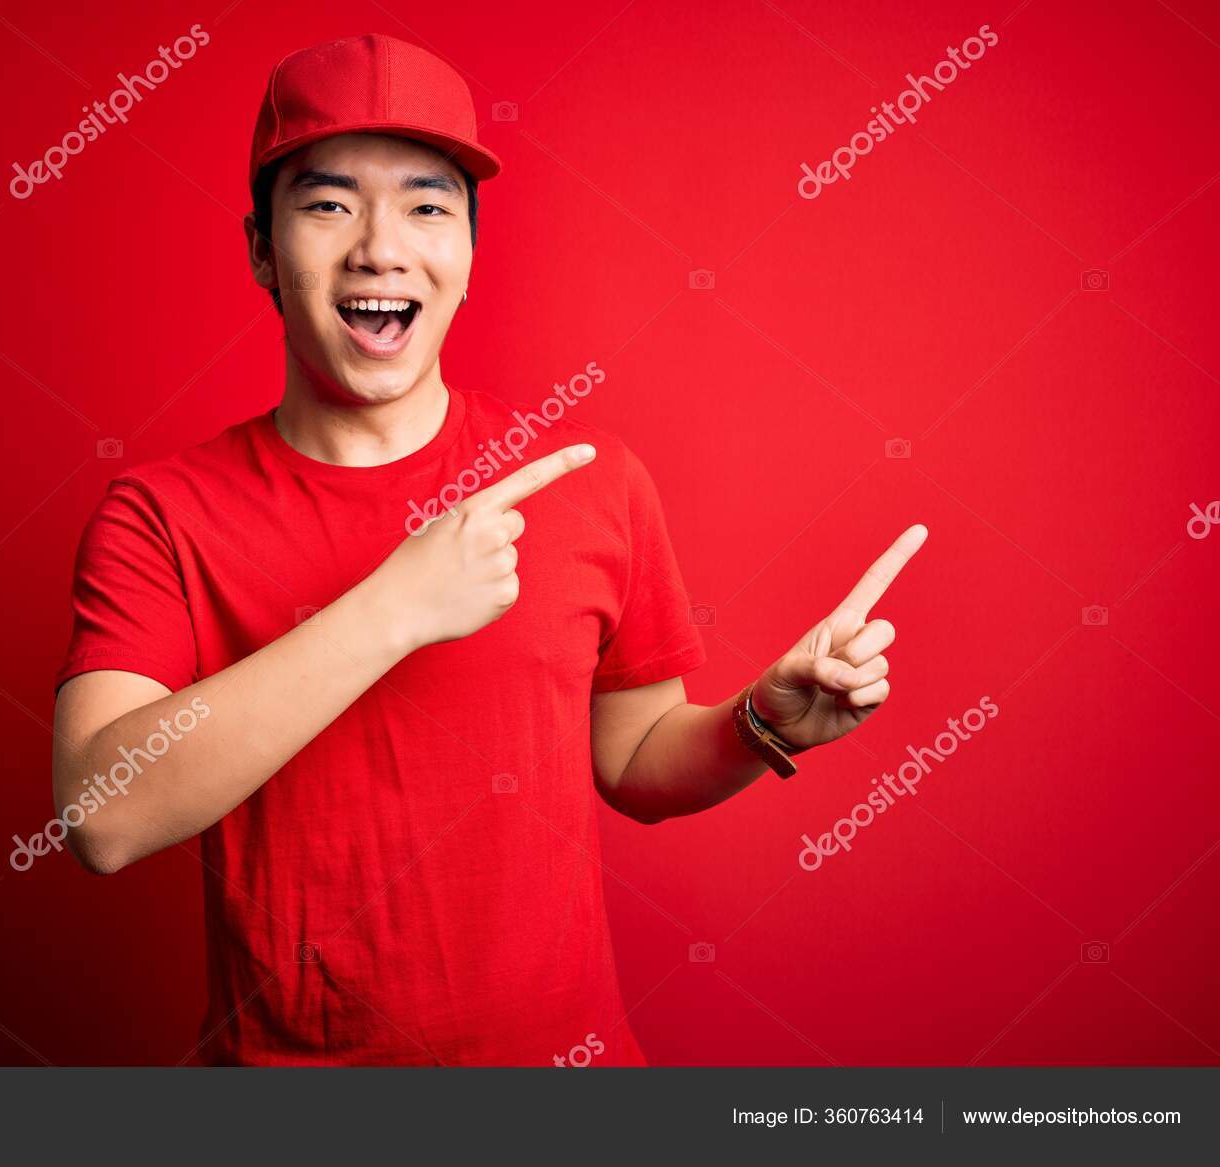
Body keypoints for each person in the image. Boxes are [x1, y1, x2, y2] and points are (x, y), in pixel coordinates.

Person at [52, 33, 927, 1065]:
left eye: (427, 206)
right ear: (258, 250)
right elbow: (100, 818)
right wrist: (394, 608)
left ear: (467, 256)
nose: (380, 246)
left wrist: (756, 725)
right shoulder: (159, 513)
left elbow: (636, 761)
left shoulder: (589, 481)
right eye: (328, 203)